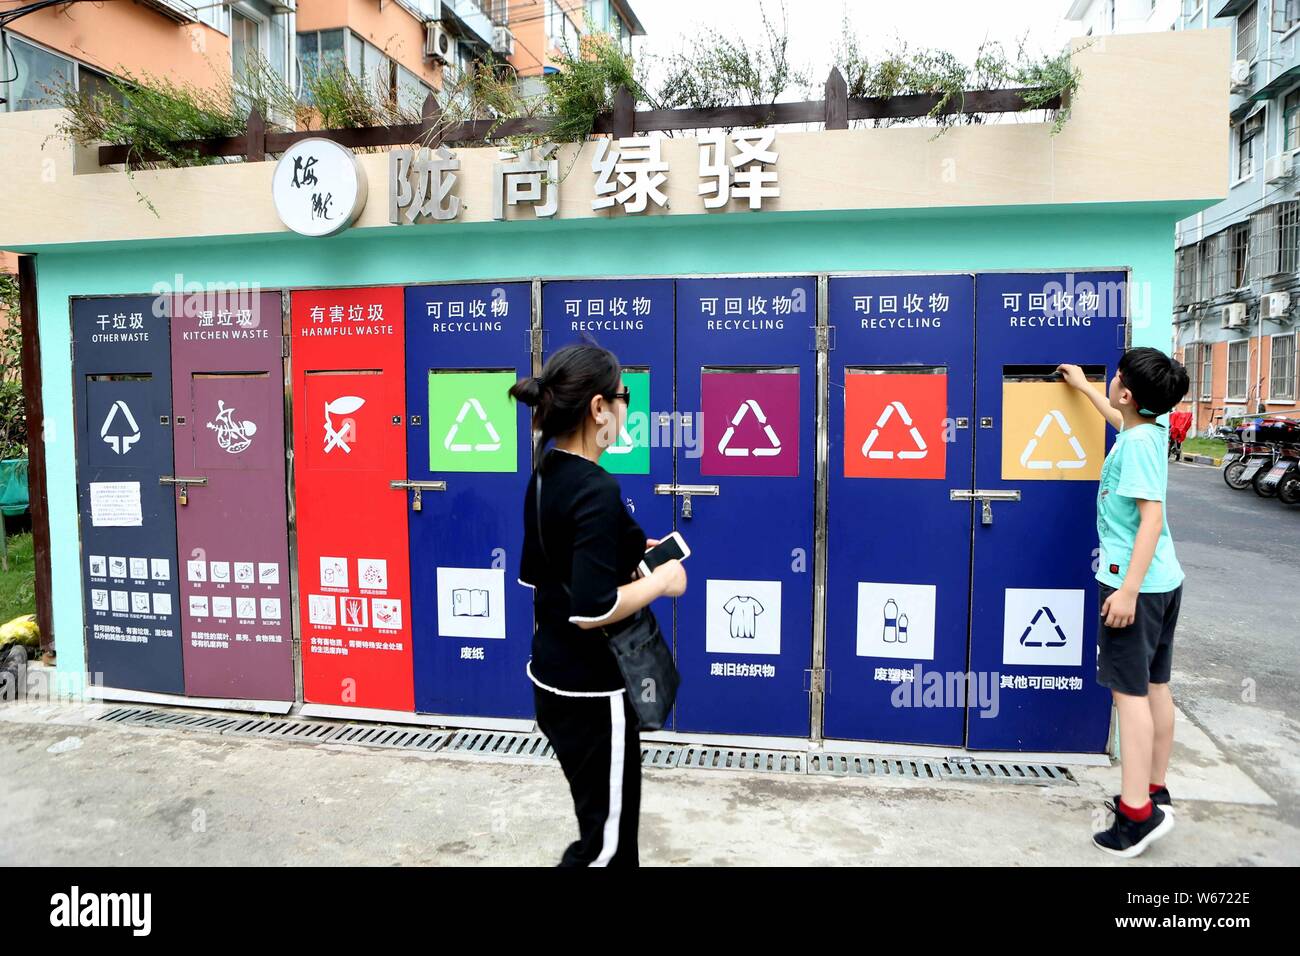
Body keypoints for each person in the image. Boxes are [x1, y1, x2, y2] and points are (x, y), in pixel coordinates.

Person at [510, 343, 687, 867]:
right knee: (607, 849)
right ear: (597, 408)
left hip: (552, 679)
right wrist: (662, 582)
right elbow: (591, 608)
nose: (626, 407)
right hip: (593, 692)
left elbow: (543, 574)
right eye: (623, 396)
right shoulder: (594, 488)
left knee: (597, 827)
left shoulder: (548, 473)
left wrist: (635, 553)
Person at [1058, 348, 1190, 859]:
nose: (1111, 384)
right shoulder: (1150, 431)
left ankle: (1136, 814)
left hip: (1133, 585)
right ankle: (1156, 789)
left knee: (1128, 696)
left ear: (1130, 392)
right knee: (1156, 685)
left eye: (1114, 380)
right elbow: (1120, 419)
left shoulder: (1136, 445)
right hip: (1165, 581)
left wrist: (1127, 591)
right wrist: (1085, 387)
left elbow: (1150, 519)